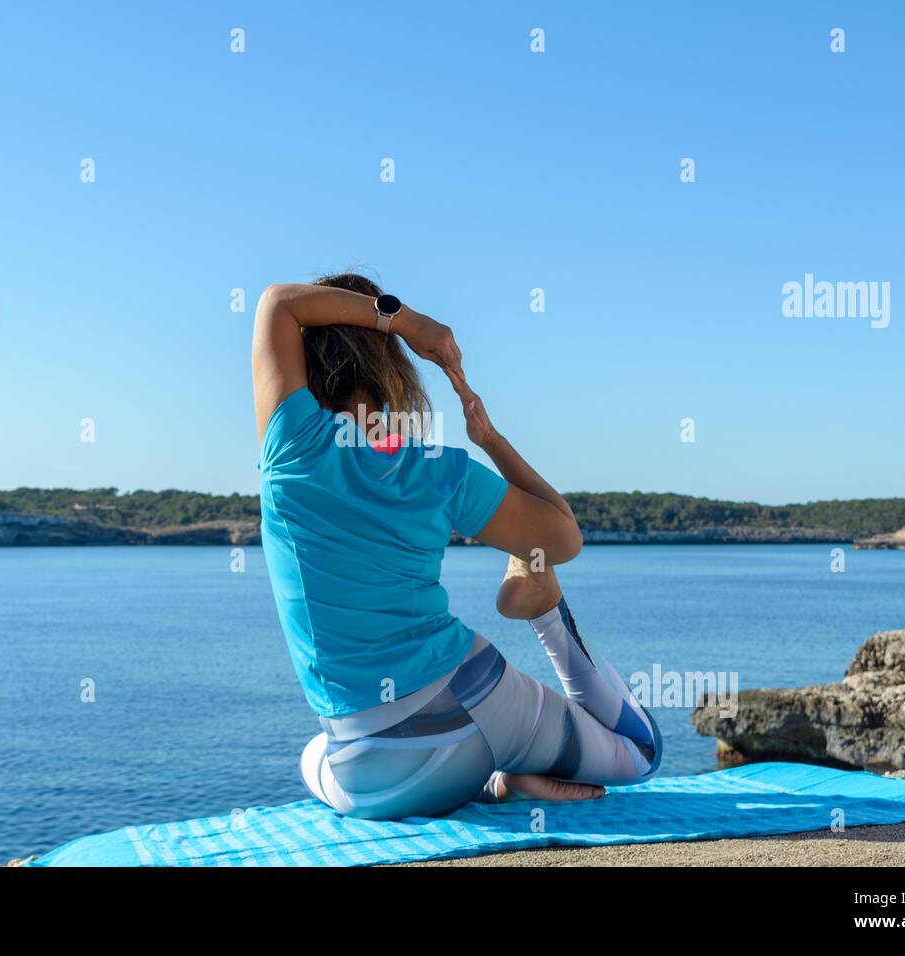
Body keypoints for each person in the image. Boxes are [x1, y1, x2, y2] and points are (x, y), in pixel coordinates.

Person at [252, 273, 661, 820]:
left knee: (312, 756)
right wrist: (490, 438)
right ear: (387, 364)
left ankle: (497, 784)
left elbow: (278, 303)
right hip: (469, 709)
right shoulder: (435, 471)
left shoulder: (290, 448)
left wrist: (405, 320)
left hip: (368, 778)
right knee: (641, 753)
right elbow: (563, 536)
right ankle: (543, 613)